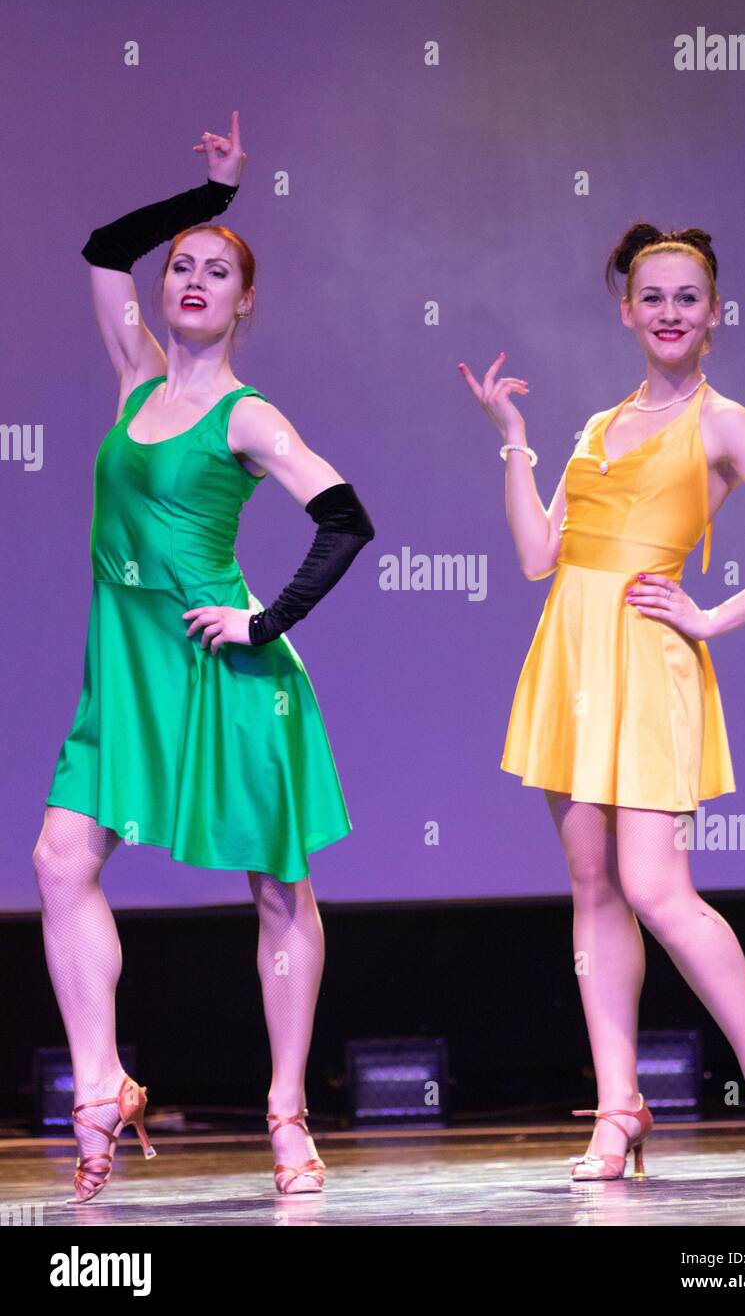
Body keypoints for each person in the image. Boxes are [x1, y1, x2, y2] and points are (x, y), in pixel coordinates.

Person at [34, 110, 375, 1201]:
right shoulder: (133, 373)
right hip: (125, 681)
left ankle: (285, 1111)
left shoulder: (246, 415)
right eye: (180, 264)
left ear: (243, 301)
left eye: (215, 269)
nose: (190, 277)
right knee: (58, 860)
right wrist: (211, 199)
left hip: (226, 681)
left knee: (279, 895)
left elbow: (346, 518)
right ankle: (101, 1088)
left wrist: (263, 622)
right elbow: (100, 248)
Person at [459, 223, 745, 1180]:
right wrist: (514, 445)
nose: (669, 313)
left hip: (649, 661)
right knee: (592, 888)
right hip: (572, 661)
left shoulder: (726, 422)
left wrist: (711, 617)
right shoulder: (594, 426)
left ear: (713, 316)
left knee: (659, 891)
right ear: (627, 311)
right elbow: (539, 559)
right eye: (652, 297)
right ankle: (618, 1109)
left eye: (687, 298)